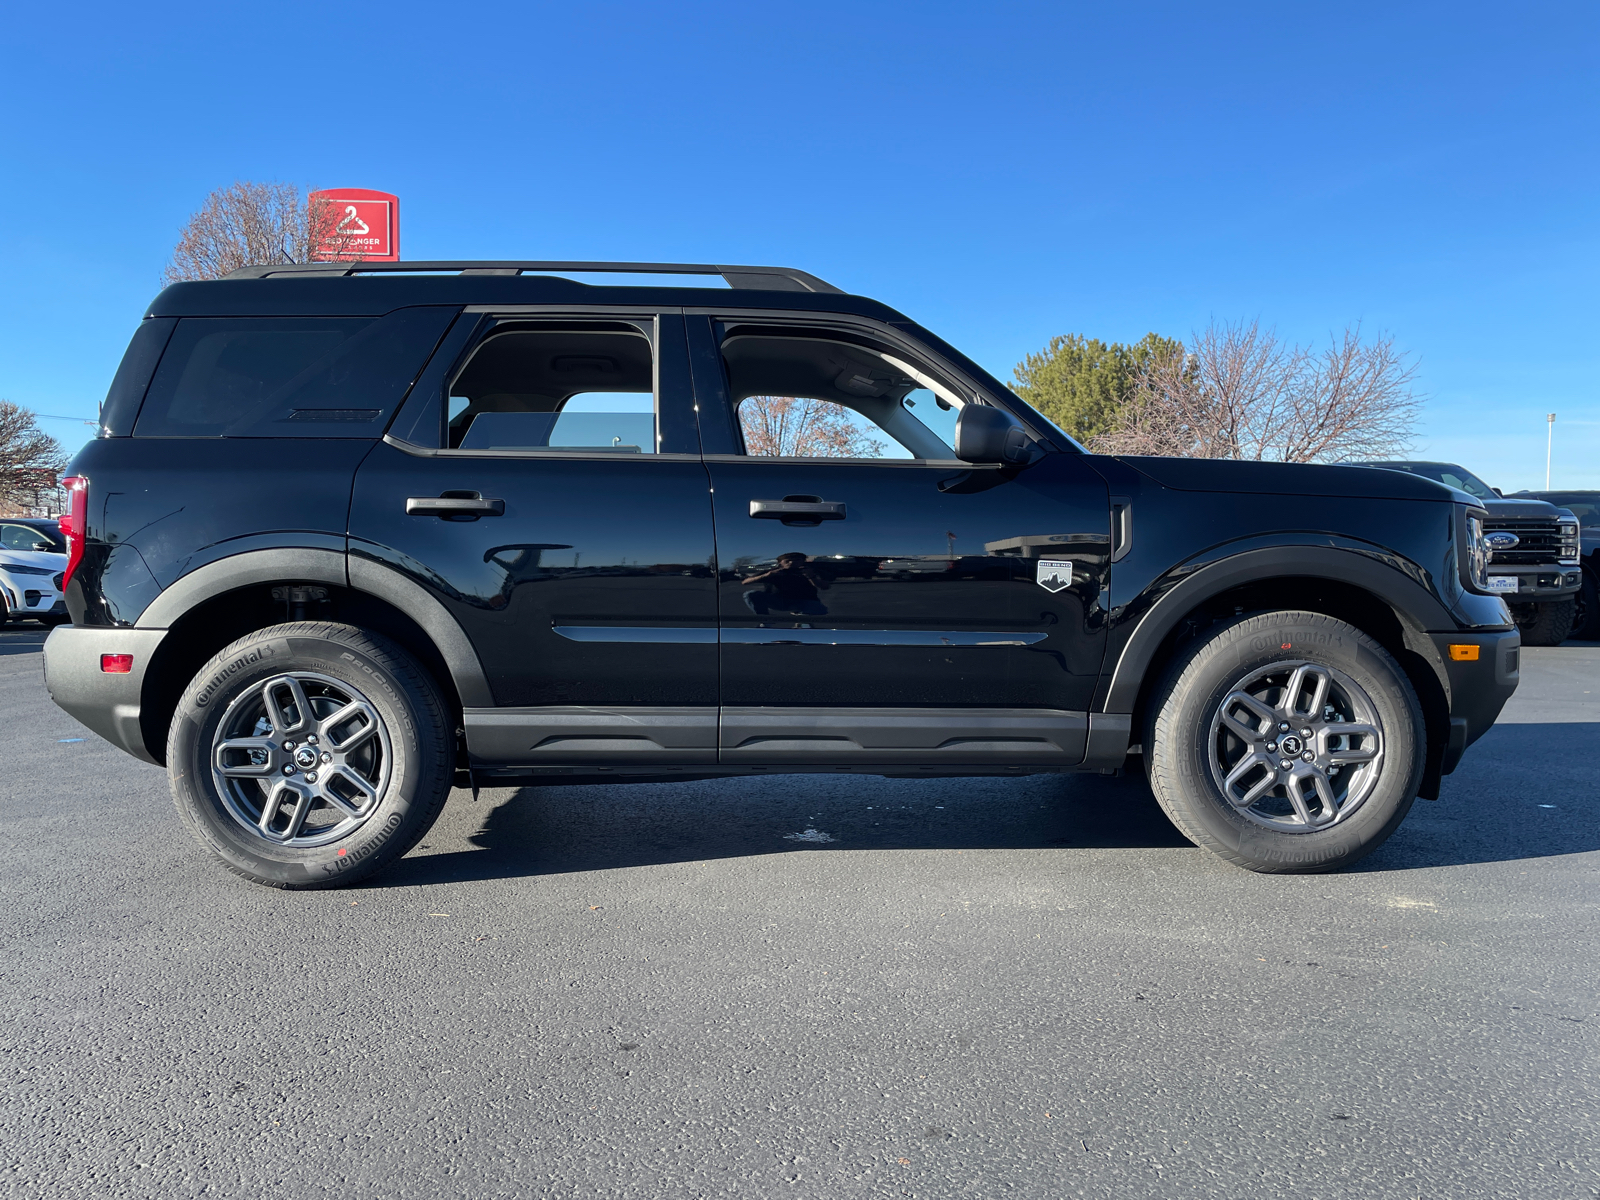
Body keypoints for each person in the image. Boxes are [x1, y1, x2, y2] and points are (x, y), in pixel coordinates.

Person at [742, 552, 829, 616]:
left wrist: (811, 576)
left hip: (805, 601)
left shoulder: (810, 571)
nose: (791, 562)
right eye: (787, 561)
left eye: (797, 560)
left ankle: (802, 623)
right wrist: (767, 575)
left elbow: (825, 587)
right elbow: (745, 582)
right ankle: (765, 620)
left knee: (815, 610)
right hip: (779, 601)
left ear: (803, 561)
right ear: (780, 563)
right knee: (750, 594)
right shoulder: (773, 572)